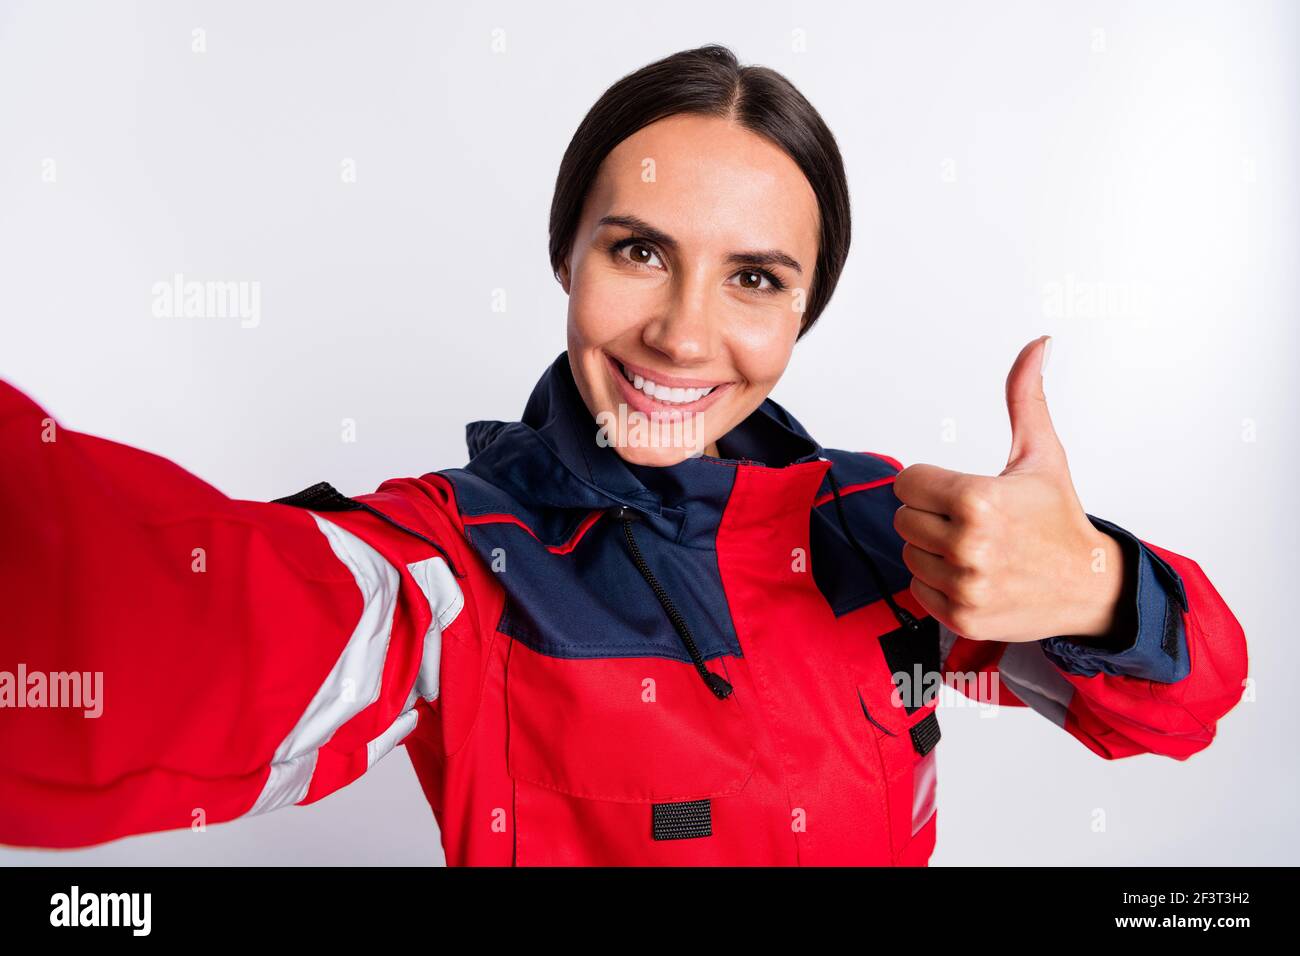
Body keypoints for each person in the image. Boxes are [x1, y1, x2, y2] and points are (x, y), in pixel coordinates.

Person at [0, 44, 1247, 866]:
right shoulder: (450, 572)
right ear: (567, 255)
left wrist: (1098, 584)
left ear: (801, 313)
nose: (683, 331)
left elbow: (1185, 704)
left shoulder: (896, 531)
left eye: (754, 277)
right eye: (638, 251)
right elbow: (135, 631)